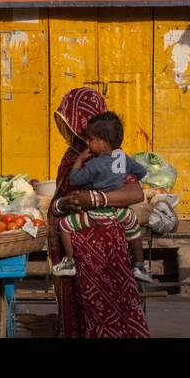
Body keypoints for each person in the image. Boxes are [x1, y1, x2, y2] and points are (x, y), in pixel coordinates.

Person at [48, 88, 150, 338]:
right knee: (81, 305)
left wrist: (94, 198)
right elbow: (59, 199)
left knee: (109, 300)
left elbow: (135, 192)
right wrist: (63, 205)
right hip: (77, 238)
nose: (73, 132)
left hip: (107, 243)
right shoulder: (74, 155)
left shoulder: (110, 157)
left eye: (74, 125)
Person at [52, 111, 152, 283]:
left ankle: (70, 262)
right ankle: (139, 264)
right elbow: (142, 172)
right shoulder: (123, 158)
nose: (88, 143)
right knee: (134, 228)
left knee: (65, 226)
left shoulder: (94, 164)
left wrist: (79, 160)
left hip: (96, 214)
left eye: (91, 139)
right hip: (120, 213)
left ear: (103, 141)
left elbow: (74, 179)